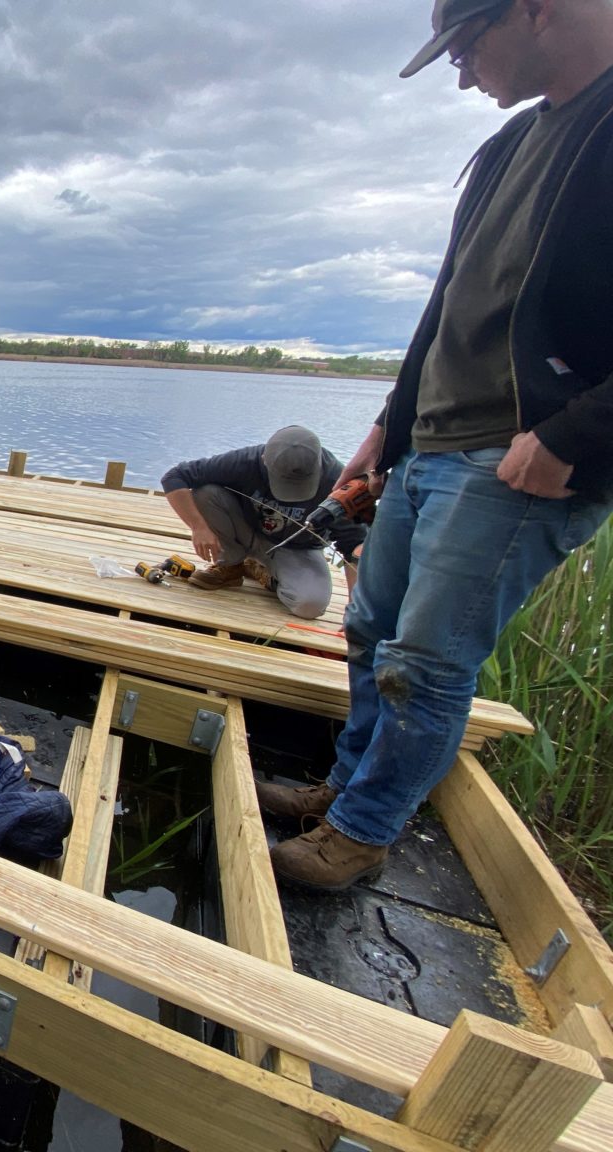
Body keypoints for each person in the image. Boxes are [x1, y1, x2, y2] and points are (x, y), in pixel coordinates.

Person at [260, 0, 613, 891]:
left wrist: (573, 434)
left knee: (428, 662)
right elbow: (449, 304)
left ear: (534, 12)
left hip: (518, 460)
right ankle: (341, 791)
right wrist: (390, 423)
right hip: (431, 445)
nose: (461, 73)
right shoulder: (512, 145)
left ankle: (363, 833)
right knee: (374, 631)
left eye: (466, 46)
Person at [159, 427, 365, 620]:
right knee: (206, 492)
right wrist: (198, 527)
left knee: (310, 606)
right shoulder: (244, 461)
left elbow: (354, 547)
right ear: (264, 459)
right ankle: (231, 565)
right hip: (247, 531)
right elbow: (174, 477)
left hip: (297, 548)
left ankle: (262, 572)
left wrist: (356, 613)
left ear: (318, 467)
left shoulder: (338, 481)